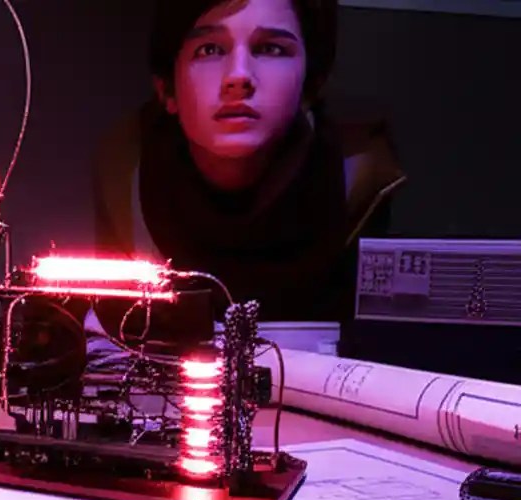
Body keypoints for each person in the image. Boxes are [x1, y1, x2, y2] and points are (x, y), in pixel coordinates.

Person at [91, 0, 406, 323]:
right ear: (167, 88)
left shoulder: (356, 180)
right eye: (209, 50)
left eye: (270, 49)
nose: (238, 76)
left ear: (310, 82)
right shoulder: (127, 176)